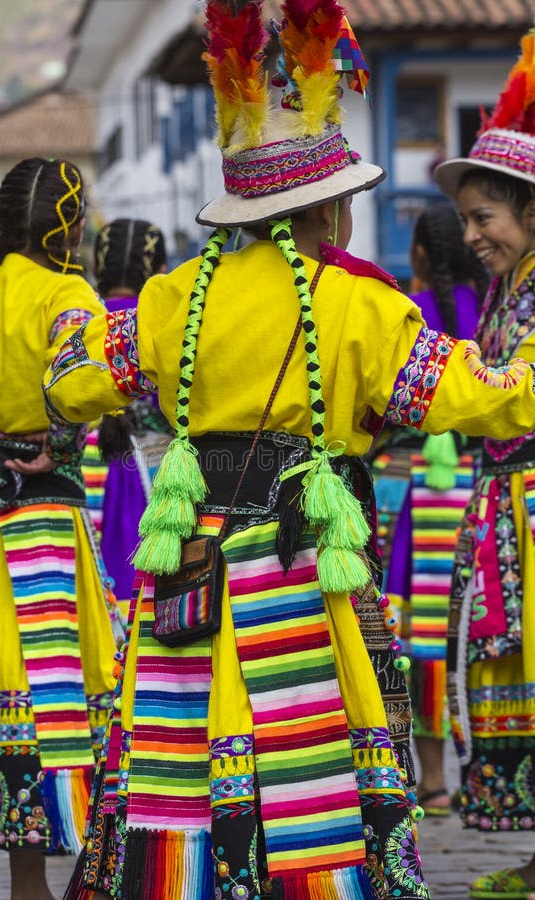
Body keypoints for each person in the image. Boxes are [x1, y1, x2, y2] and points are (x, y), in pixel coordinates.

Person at [45, 3, 535, 898]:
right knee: (313, 784)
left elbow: (70, 379)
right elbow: (487, 400)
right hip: (303, 571)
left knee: (177, 768)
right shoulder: (363, 305)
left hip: (188, 578)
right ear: (333, 207)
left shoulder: (169, 299)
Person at [0, 157, 122, 900]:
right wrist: (66, 439)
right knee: (38, 691)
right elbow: (88, 380)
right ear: (72, 226)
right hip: (39, 520)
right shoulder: (68, 293)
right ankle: (26, 884)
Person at [433, 27, 535, 900]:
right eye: (467, 220)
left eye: (484, 217)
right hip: (506, 504)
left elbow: (518, 388)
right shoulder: (508, 288)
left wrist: (438, 378)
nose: (471, 235)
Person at [372, 202, 488, 817]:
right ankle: (480, 774)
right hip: (471, 488)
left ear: (418, 255)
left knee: (411, 633)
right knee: (464, 623)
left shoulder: (413, 320)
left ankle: (431, 780)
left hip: (406, 491)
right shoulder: (492, 311)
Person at [82, 219, 172, 614]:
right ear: (159, 272)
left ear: (96, 270)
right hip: (156, 475)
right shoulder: (166, 323)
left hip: (86, 471)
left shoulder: (83, 323)